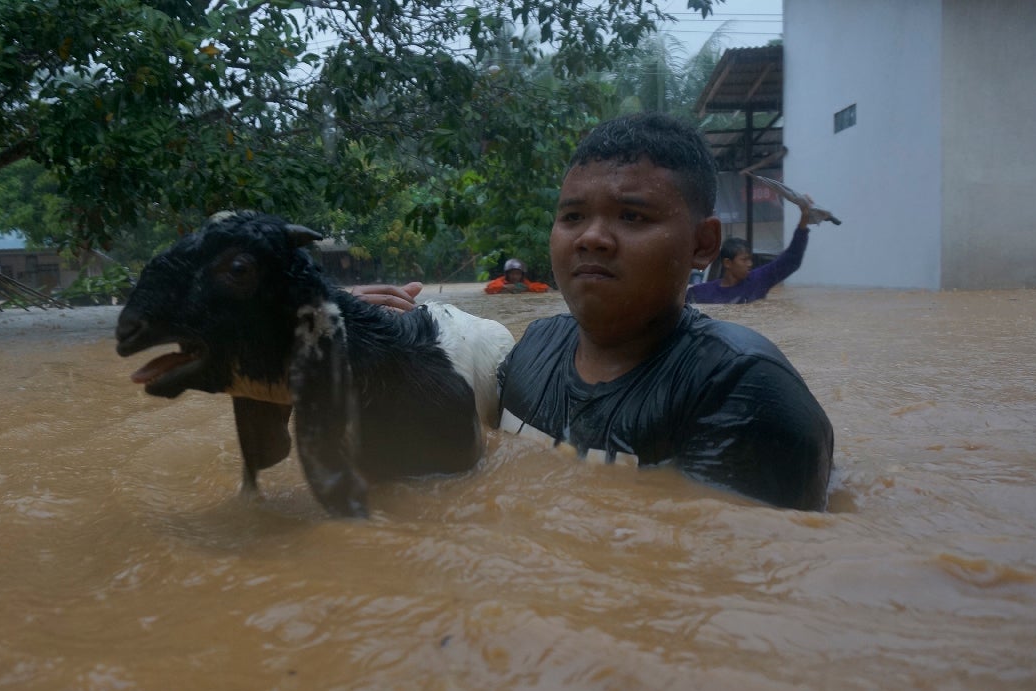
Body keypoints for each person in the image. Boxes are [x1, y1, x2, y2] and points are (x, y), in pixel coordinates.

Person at [355, 112, 833, 511]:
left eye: (632, 216)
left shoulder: (744, 392)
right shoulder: (533, 348)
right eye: (573, 217)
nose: (591, 238)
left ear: (703, 243)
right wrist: (352, 340)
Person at [686, 203, 817, 304]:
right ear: (727, 263)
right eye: (744, 260)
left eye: (750, 259)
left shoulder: (757, 281)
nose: (750, 264)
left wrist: (803, 222)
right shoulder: (700, 293)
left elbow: (790, 260)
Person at [484, 259, 551, 294]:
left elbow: (543, 287)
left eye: (518, 274)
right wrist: (504, 287)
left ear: (522, 275)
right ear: (507, 274)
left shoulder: (524, 282)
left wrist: (527, 288)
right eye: (512, 274)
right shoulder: (501, 281)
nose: (515, 276)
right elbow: (489, 289)